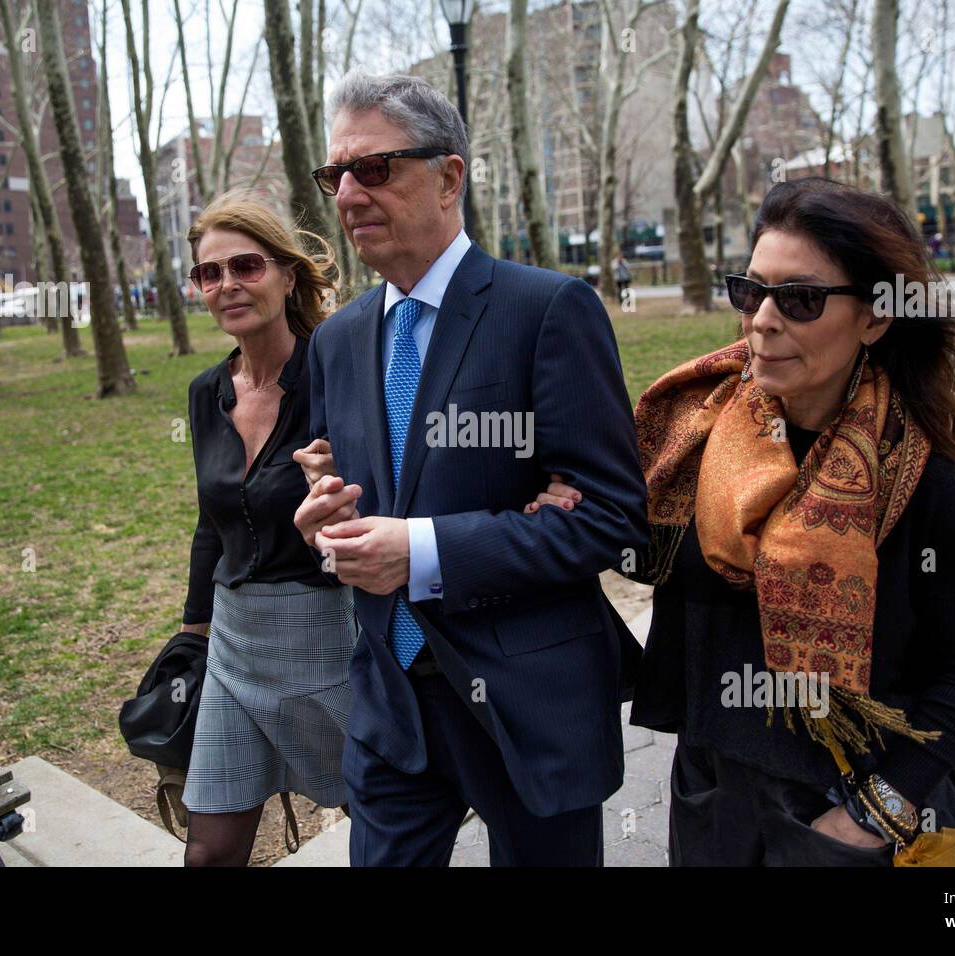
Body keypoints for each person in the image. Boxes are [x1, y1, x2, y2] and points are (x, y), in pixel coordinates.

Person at [548, 177, 955, 865]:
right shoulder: (691, 440)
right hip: (712, 796)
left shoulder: (927, 483)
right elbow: (637, 552)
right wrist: (572, 511)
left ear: (876, 318)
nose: (763, 319)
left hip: (853, 809)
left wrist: (873, 814)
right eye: (751, 290)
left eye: (800, 299)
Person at [293, 71, 648, 867]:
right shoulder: (336, 343)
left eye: (373, 169)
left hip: (527, 704)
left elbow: (612, 519)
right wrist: (326, 521)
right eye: (335, 175)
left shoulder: (548, 311)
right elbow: (360, 495)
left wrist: (422, 550)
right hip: (392, 704)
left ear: (450, 176)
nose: (348, 194)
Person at [178, 191, 356, 867]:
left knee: (381, 810)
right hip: (233, 643)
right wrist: (192, 634)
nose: (227, 285)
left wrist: (341, 490)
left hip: (325, 631)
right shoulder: (206, 392)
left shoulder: (335, 371)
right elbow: (209, 522)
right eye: (209, 273)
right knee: (210, 851)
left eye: (246, 266)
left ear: (287, 274)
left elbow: (391, 496)